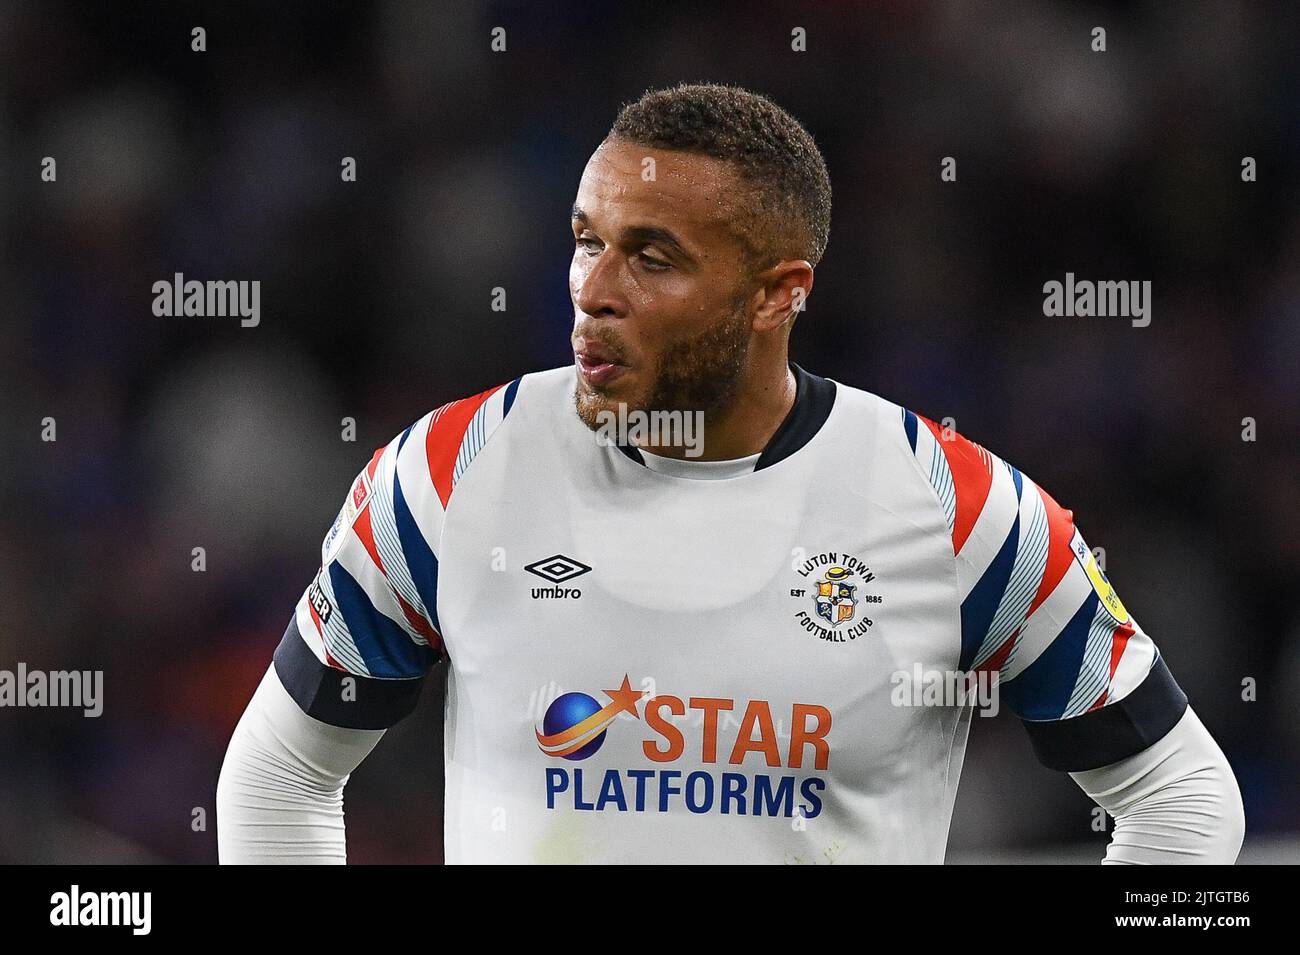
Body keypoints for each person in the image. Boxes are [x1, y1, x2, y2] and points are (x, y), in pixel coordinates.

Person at [216, 83, 1244, 864]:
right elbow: (283, 771)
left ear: (775, 293)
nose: (595, 292)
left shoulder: (959, 512)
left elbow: (1182, 798)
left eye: (652, 256)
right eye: (587, 243)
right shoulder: (448, 477)